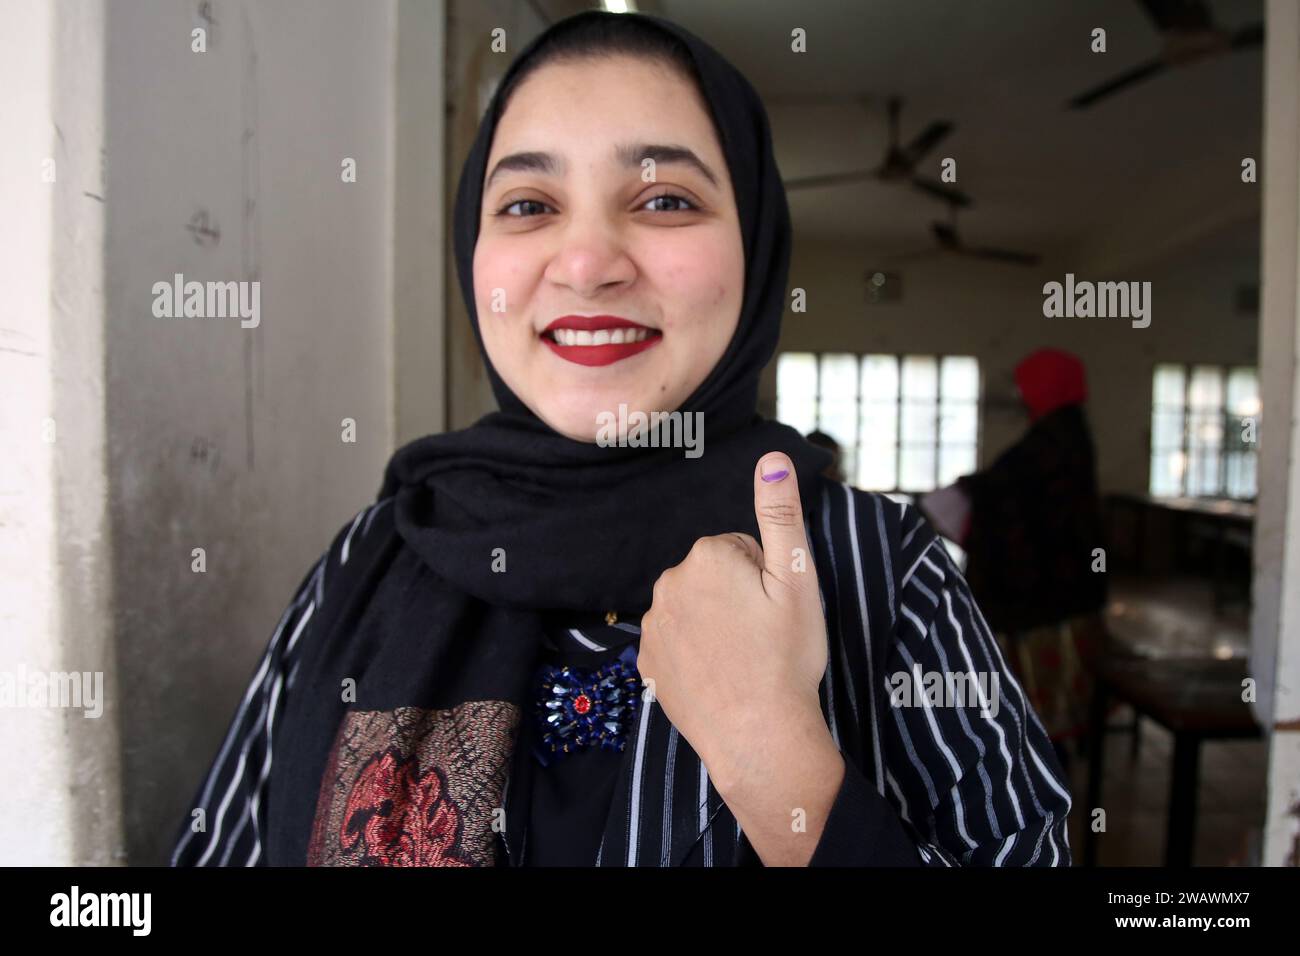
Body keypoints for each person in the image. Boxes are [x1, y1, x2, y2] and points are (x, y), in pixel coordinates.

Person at [170, 10, 1070, 868]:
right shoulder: (381, 549)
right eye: (527, 205)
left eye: (666, 198)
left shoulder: (878, 570)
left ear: (755, 249)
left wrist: (774, 753)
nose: (589, 261)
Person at [920, 348, 1108, 761]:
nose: (1021, 396)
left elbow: (1010, 489)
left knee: (1043, 700)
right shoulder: (1065, 433)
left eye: (1027, 386)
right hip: (1065, 589)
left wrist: (967, 492)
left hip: (1047, 597)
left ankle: (1042, 771)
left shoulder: (1054, 440)